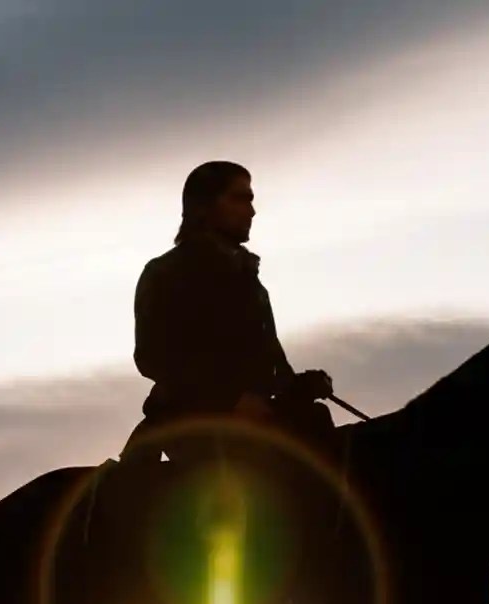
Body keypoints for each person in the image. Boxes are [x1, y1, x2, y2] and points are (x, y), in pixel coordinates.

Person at [119, 160, 338, 468]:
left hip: (255, 420)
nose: (252, 211)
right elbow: (153, 356)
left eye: (250, 200)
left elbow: (266, 366)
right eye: (239, 198)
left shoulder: (250, 280)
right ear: (204, 206)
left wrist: (299, 387)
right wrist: (229, 400)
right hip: (194, 424)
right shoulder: (166, 272)